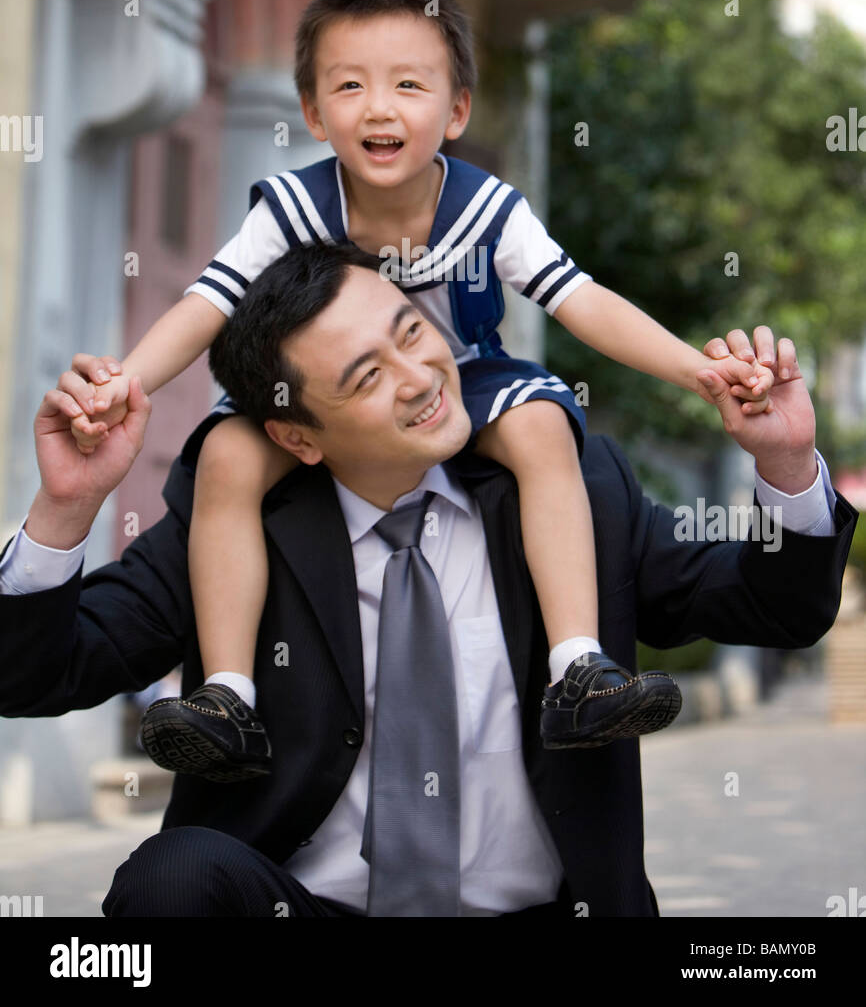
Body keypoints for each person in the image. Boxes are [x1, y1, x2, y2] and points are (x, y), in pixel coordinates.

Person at [58, 0, 775, 778]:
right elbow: (206, 304)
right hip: (323, 398)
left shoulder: (488, 207)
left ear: (456, 108)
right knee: (226, 456)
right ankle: (227, 697)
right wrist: (128, 384)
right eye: (350, 85)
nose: (379, 106)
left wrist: (696, 371)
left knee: (543, 426)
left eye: (409, 83)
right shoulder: (291, 208)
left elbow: (583, 301)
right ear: (313, 112)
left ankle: (580, 670)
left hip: (464, 375)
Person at [0, 244, 854, 917]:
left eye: (411, 332)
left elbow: (773, 608)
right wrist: (66, 507)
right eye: (367, 377)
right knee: (172, 880)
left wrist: (785, 463)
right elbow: (38, 673)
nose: (420, 379)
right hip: (310, 911)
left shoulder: (569, 489)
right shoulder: (237, 525)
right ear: (298, 436)